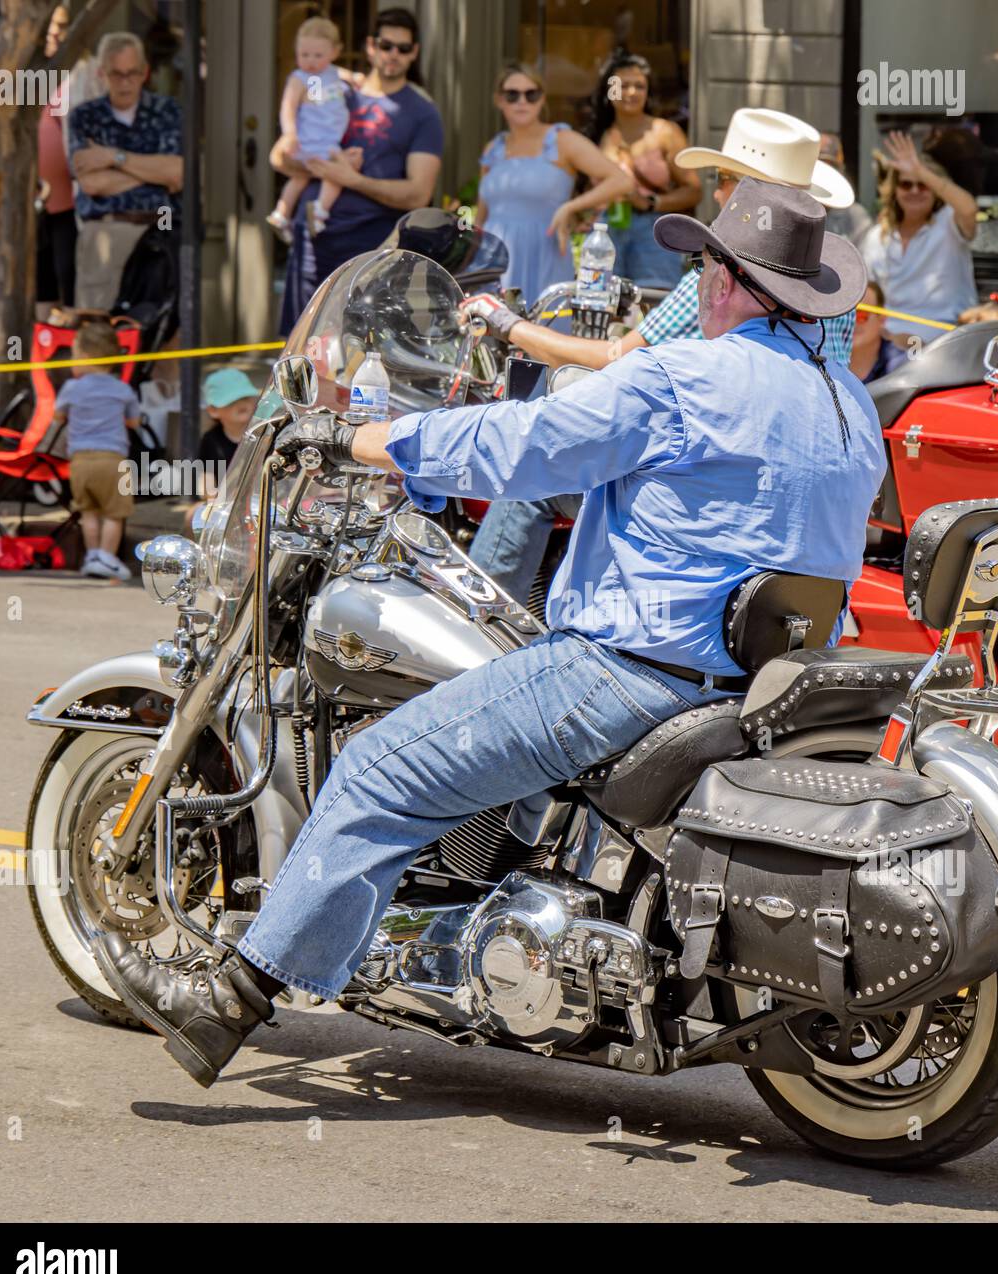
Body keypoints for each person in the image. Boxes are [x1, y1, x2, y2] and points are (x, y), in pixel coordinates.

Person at [90, 179, 886, 1089]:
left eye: (707, 264)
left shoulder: (684, 379)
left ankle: (225, 1000)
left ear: (729, 281)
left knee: (379, 768)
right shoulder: (847, 402)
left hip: (628, 674)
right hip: (762, 682)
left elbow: (529, 443)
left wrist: (378, 441)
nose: (700, 280)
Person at [459, 108, 860, 601]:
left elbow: (615, 357)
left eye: (726, 179)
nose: (715, 192)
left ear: (755, 196)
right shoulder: (828, 285)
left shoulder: (723, 278)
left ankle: (483, 626)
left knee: (535, 482)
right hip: (798, 499)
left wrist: (509, 324)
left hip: (723, 484)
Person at [275, 7, 443, 334]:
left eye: (403, 47)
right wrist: (319, 166)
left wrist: (352, 179)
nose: (392, 54)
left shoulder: (423, 112)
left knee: (361, 354)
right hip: (313, 243)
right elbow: (279, 158)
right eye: (385, 45)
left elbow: (419, 192)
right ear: (370, 46)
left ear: (414, 52)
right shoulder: (335, 88)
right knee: (303, 351)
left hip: (375, 251)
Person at [475, 63, 629, 307]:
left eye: (531, 94)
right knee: (490, 337)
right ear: (499, 100)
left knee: (544, 332)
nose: (522, 101)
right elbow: (481, 217)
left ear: (542, 98)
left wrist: (570, 208)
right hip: (492, 260)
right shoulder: (493, 148)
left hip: (544, 251)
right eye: (512, 95)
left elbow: (621, 180)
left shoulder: (561, 140)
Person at [67, 33, 183, 311]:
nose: (125, 82)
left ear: (145, 72)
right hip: (105, 230)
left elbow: (176, 174)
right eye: (116, 74)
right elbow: (92, 183)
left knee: (161, 330)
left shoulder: (166, 111)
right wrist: (151, 171)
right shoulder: (84, 117)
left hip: (161, 229)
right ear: (101, 73)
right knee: (96, 327)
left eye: (132, 73)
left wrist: (112, 157)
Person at [861, 131, 978, 371]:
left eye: (923, 185)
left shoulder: (948, 223)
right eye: (906, 184)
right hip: (887, 340)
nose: (914, 191)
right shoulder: (877, 237)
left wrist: (921, 170)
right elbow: (866, 295)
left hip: (945, 340)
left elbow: (969, 209)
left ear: (934, 189)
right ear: (895, 190)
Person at [587, 51, 700, 288]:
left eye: (639, 86)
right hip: (607, 230)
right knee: (604, 304)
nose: (631, 92)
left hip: (652, 230)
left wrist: (651, 202)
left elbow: (694, 190)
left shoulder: (665, 131)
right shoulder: (597, 135)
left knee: (654, 301)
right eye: (623, 85)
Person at [53, 322, 139, 580]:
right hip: (113, 460)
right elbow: (134, 422)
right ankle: (107, 557)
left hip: (79, 460)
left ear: (86, 357)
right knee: (115, 513)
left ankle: (92, 556)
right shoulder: (122, 390)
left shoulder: (71, 388)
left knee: (88, 511)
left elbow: (57, 416)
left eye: (74, 354)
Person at [266, 18, 355, 243]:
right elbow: (288, 107)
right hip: (312, 142)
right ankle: (319, 211)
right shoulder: (302, 79)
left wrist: (358, 79)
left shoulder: (332, 73)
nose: (311, 61)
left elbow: (348, 76)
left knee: (299, 180)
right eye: (304, 55)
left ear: (334, 52)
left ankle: (281, 214)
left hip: (327, 140)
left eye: (318, 55)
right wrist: (290, 134)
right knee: (334, 174)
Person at [36, 6, 78, 316]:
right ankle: (40, 360)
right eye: (48, 26)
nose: (53, 33)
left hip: (71, 207)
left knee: (71, 287)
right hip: (34, 207)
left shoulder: (79, 78)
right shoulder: (25, 75)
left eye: (61, 26)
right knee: (41, 288)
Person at [192, 368, 259, 507]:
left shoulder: (263, 433)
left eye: (245, 398)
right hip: (226, 504)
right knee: (191, 517)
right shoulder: (211, 440)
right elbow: (207, 479)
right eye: (231, 401)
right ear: (213, 411)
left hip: (260, 500)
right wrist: (214, 499)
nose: (241, 404)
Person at [819, 132, 872, 246]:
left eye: (831, 166)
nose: (825, 172)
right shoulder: (797, 211)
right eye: (819, 165)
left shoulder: (856, 216)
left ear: (841, 170)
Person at [851, 280, 890, 382]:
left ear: (882, 319)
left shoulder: (901, 365)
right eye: (846, 315)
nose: (852, 322)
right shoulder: (821, 364)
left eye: (861, 314)